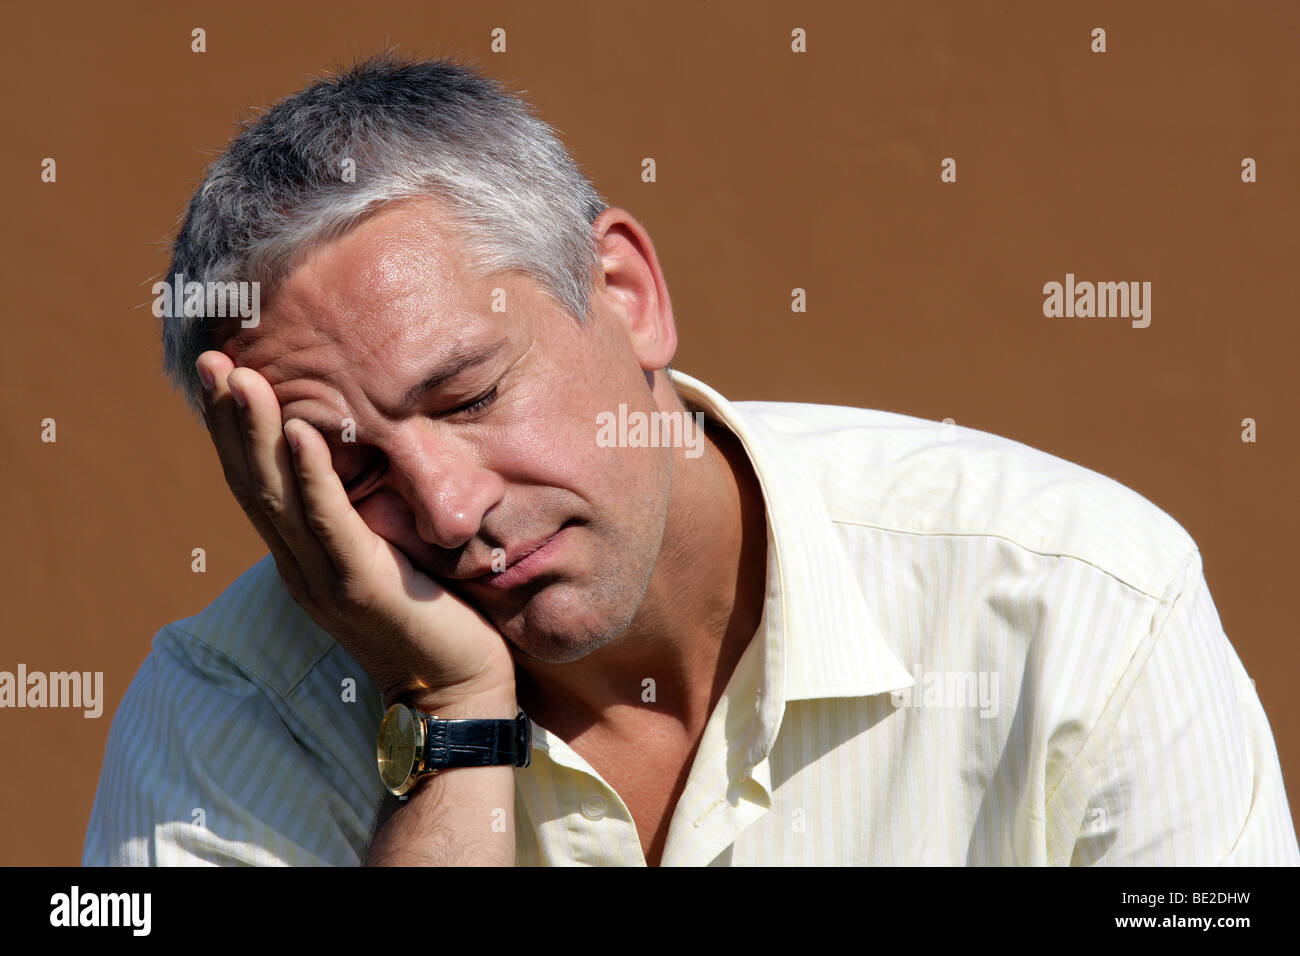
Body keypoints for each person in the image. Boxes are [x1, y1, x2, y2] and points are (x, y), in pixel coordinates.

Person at [84, 55, 1299, 866]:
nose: (449, 510)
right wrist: (448, 717)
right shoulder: (222, 717)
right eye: (353, 477)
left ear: (625, 292)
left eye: (468, 392)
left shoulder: (1077, 604)